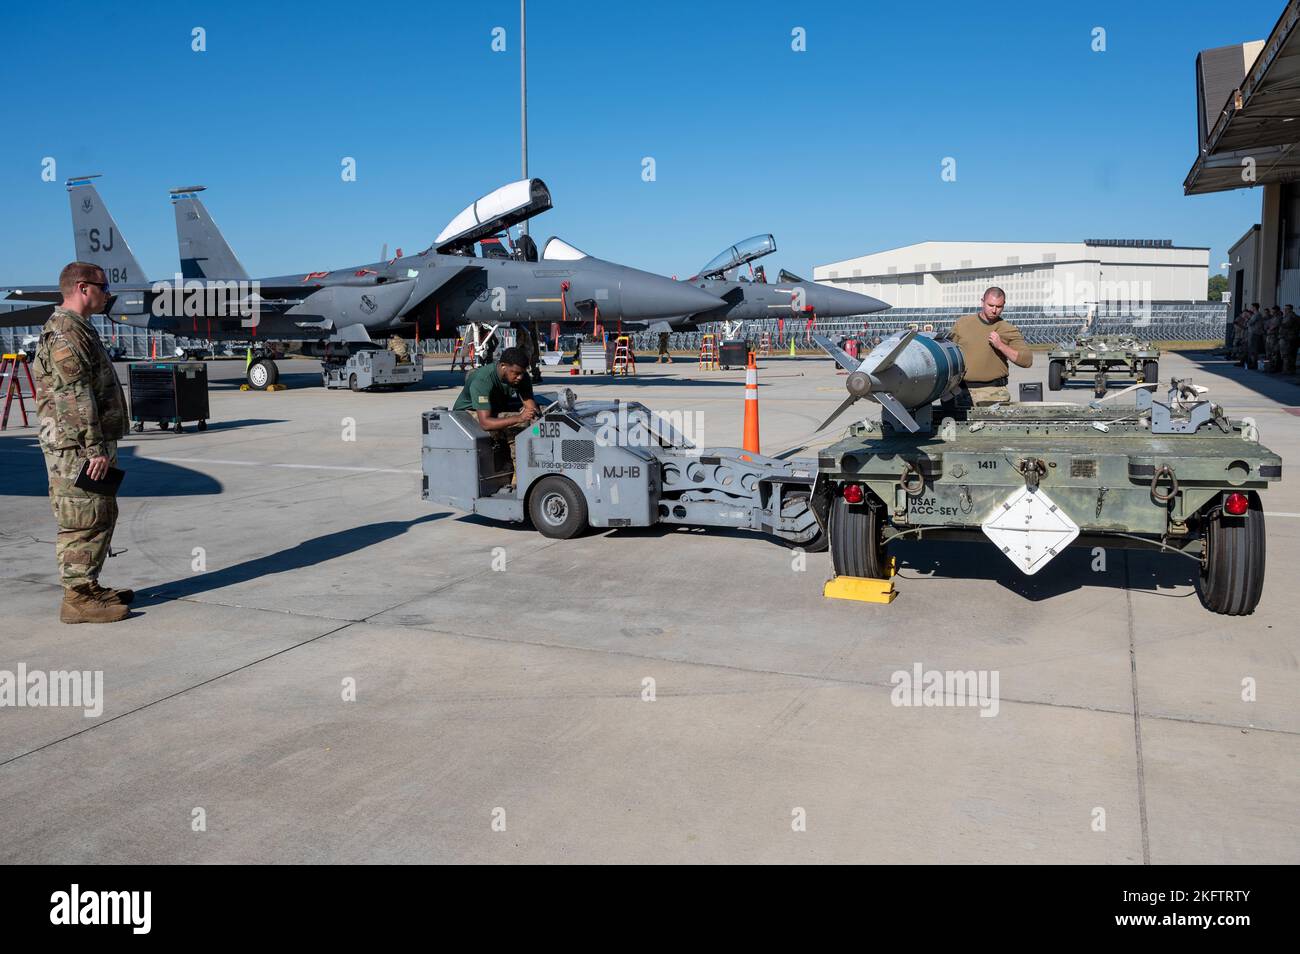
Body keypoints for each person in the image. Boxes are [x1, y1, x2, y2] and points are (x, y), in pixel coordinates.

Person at [33, 262, 132, 623]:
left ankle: (88, 586)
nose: (108, 295)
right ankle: (76, 598)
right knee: (82, 518)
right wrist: (93, 449)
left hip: (88, 444)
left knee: (100, 514)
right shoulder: (65, 335)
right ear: (83, 287)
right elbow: (73, 397)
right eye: (104, 288)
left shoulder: (79, 329)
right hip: (76, 449)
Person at [451, 347, 538, 486]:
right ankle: (519, 476)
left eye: (522, 373)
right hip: (467, 415)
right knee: (518, 426)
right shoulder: (483, 379)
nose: (519, 377)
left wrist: (535, 415)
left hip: (494, 409)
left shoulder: (521, 376)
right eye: (515, 373)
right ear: (503, 366)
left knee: (538, 421)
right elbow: (485, 422)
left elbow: (529, 404)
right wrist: (520, 418)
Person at [949, 287, 1032, 406]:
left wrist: (1001, 346)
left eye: (999, 307)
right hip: (960, 391)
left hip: (993, 393)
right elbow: (948, 351)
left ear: (1004, 305)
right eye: (990, 305)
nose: (994, 310)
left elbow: (1027, 360)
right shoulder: (962, 324)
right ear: (982, 302)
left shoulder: (1008, 329)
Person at [1281, 304, 1298, 375]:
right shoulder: (1288, 316)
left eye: (1286, 309)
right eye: (1284, 309)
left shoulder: (1291, 317)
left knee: (1288, 354)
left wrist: (1280, 323)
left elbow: (1287, 325)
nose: (1285, 310)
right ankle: (1289, 369)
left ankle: (1287, 370)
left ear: (1291, 309)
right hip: (1290, 337)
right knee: (1290, 354)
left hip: (1289, 338)